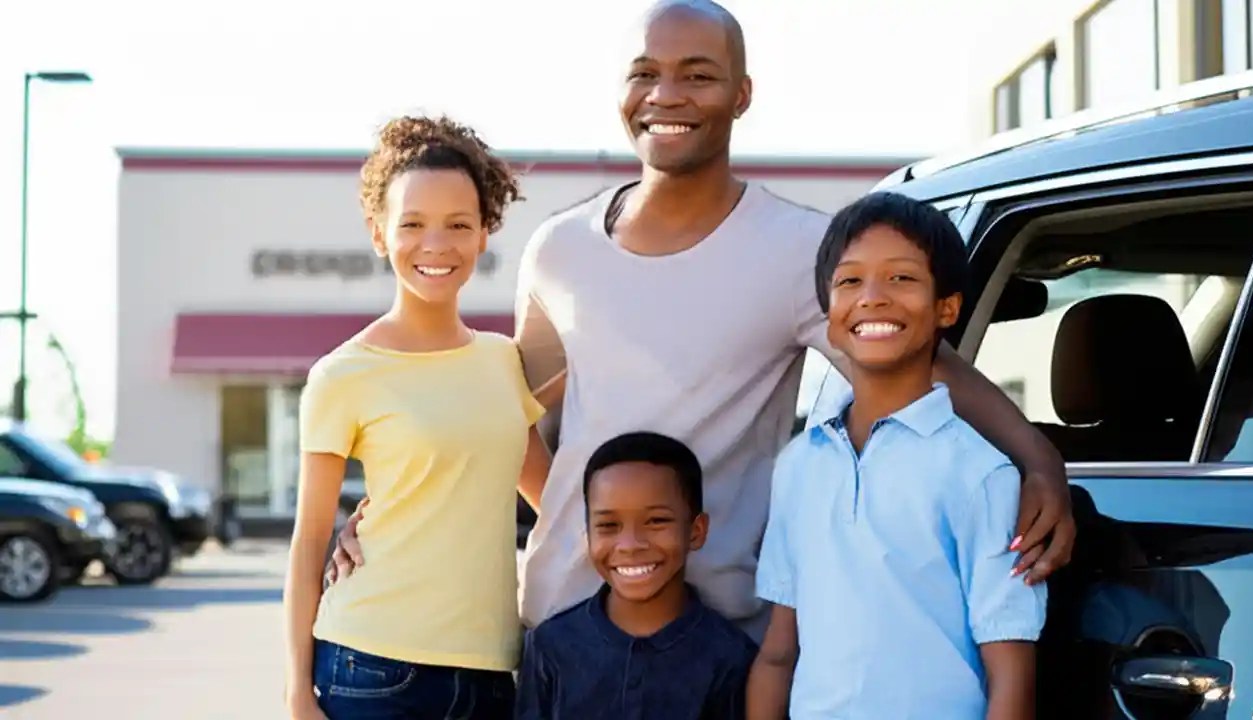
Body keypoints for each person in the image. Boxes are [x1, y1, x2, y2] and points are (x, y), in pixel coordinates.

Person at [332, 0, 1076, 642]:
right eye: (644, 73)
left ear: (742, 93)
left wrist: (1039, 461)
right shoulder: (559, 250)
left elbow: (924, 369)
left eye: (697, 73)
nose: (666, 94)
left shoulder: (800, 250)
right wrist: (573, 517)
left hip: (719, 641)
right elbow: (499, 418)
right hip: (563, 628)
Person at [282, 115, 550, 720]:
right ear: (379, 234)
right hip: (371, 666)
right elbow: (308, 545)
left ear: (485, 234)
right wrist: (296, 692)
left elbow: (553, 501)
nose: (437, 244)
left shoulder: (502, 360)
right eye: (412, 224)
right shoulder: (342, 374)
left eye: (459, 224)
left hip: (490, 671)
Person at [746, 192, 1047, 719]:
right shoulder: (799, 466)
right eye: (850, 281)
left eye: (901, 278)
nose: (873, 297)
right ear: (830, 316)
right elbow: (778, 656)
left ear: (946, 309)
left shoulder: (980, 473)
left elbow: (1010, 672)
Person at [516, 431, 757, 719]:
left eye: (656, 521)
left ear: (696, 531)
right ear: (587, 534)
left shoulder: (731, 657)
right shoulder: (550, 647)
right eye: (608, 525)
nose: (630, 545)